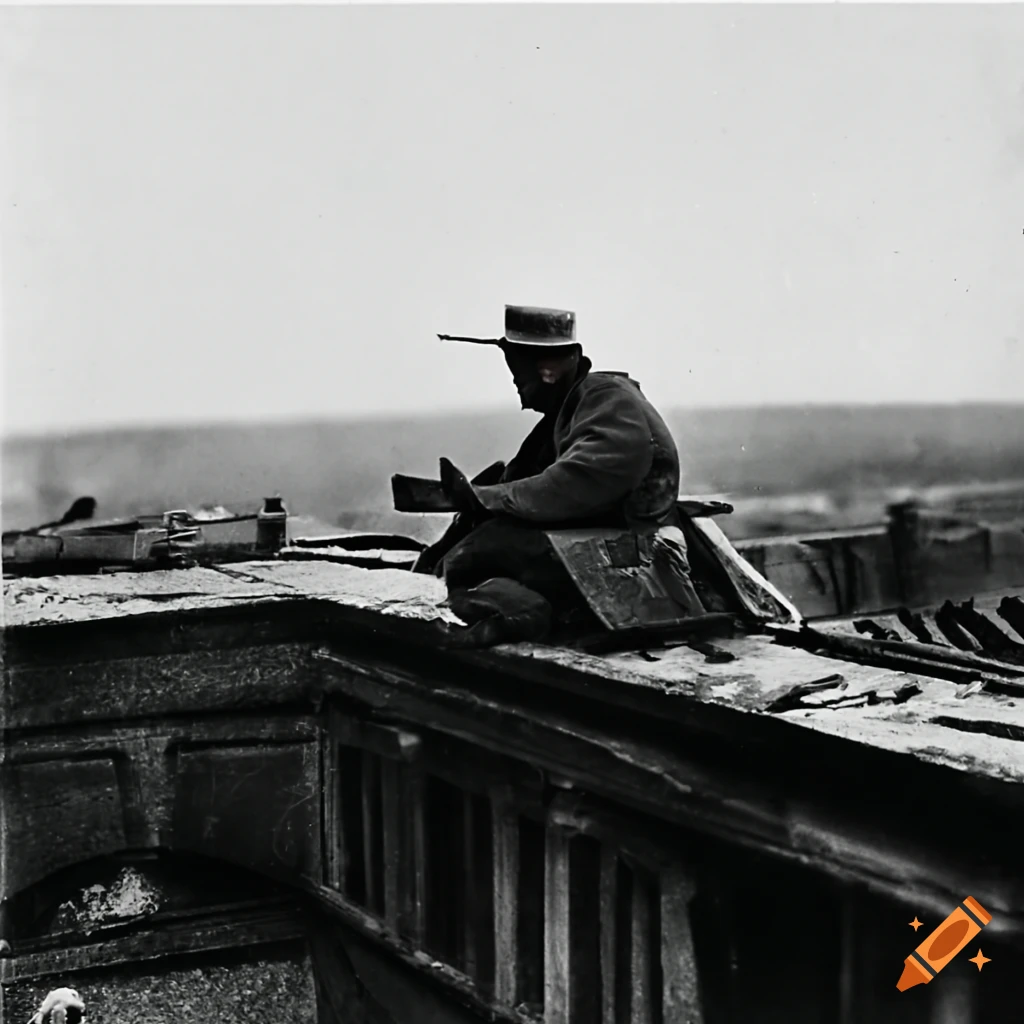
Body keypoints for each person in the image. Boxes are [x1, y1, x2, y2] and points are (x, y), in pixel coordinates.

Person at [416, 305, 700, 645]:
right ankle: (505, 607)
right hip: (599, 541)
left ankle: (521, 614)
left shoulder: (608, 398)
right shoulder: (571, 409)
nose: (516, 386)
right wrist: (478, 500)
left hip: (632, 552)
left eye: (518, 375)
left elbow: (573, 483)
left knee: (474, 555)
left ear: (547, 371)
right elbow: (524, 476)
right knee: (458, 553)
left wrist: (483, 497)